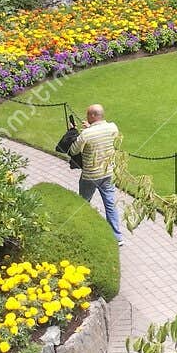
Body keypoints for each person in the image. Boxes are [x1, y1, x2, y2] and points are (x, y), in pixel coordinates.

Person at [69, 103, 125, 246]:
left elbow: (73, 150)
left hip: (90, 175)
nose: (86, 117)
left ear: (93, 116)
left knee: (83, 203)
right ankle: (117, 237)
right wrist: (90, 127)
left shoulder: (86, 134)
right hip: (108, 173)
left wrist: (73, 132)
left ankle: (82, 230)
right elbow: (102, 137)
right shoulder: (113, 127)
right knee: (110, 204)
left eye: (88, 114)